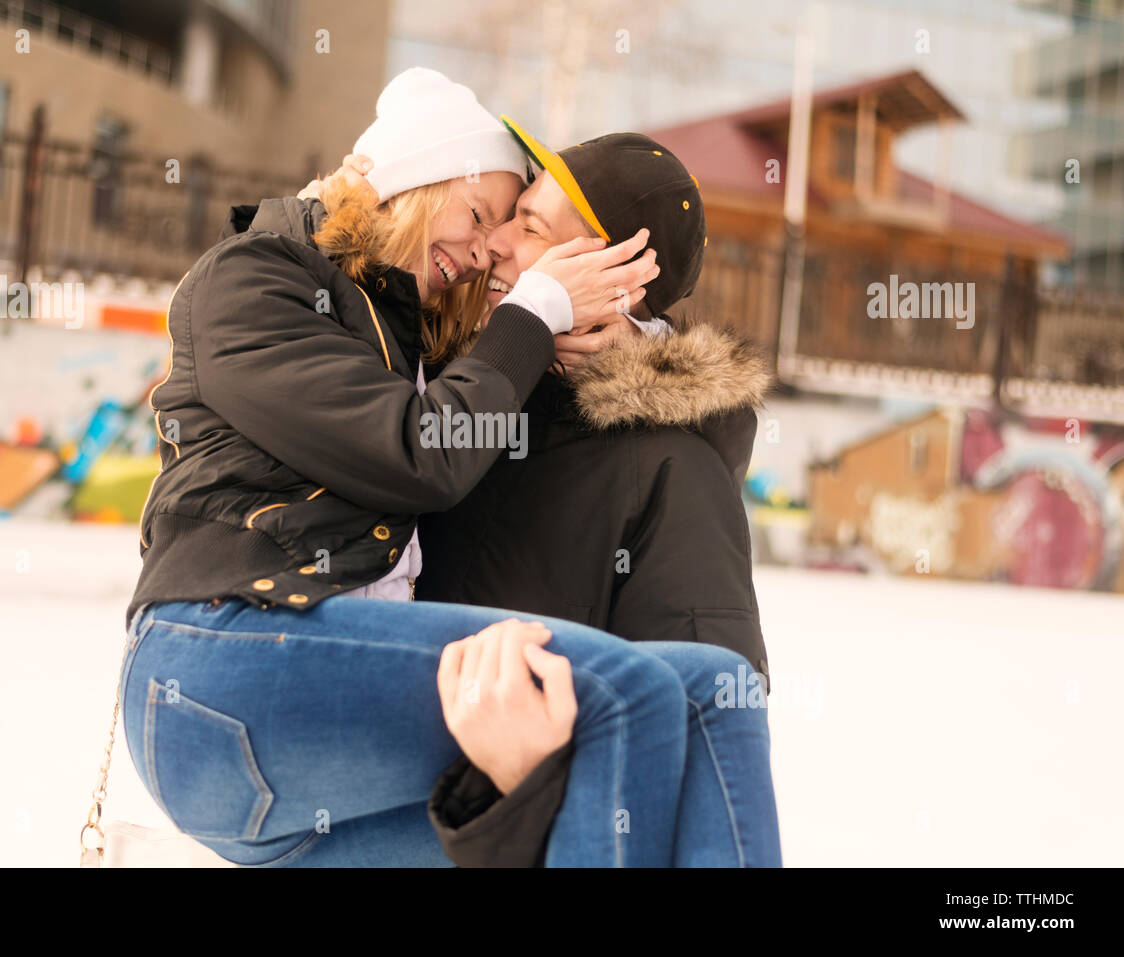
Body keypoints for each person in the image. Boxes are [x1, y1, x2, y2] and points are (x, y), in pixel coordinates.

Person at [118, 67, 771, 867]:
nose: (490, 246)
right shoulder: (259, 279)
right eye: (482, 213)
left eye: (518, 226)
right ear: (413, 180)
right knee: (619, 696)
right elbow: (427, 449)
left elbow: (648, 406)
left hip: (357, 758)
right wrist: (539, 311)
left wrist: (634, 343)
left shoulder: (436, 345)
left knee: (693, 699)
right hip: (223, 660)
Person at [407, 121, 780, 867]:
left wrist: (529, 786)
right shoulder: (451, 396)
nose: (498, 245)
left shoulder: (671, 469)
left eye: (532, 225)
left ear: (620, 277)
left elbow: (699, 757)